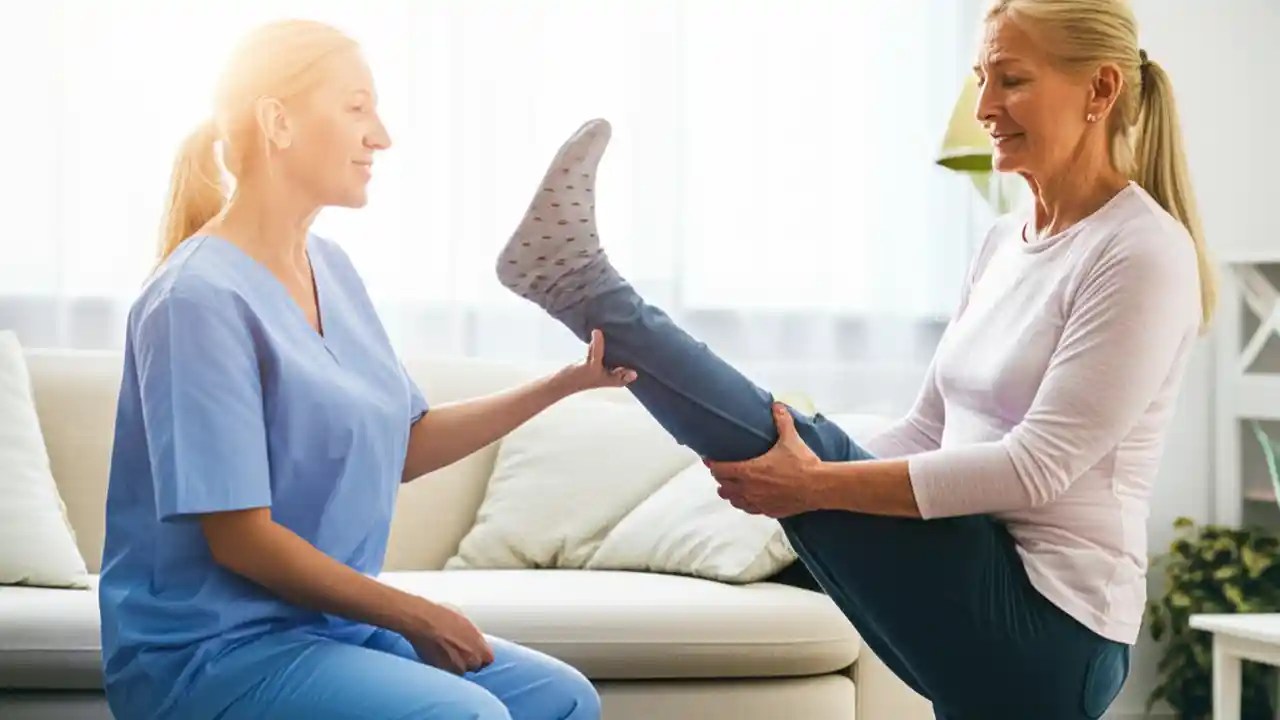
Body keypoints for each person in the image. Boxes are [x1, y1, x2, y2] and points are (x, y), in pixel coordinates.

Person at [494, 0, 1213, 718]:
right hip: (979, 576)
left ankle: (578, 283)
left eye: (1012, 80)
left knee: (807, 455)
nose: (986, 106)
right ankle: (577, 284)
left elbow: (1034, 468)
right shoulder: (1003, 241)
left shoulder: (1141, 252)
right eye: (980, 79)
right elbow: (927, 429)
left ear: (1100, 90)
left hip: (1051, 619)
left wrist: (817, 482)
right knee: (799, 441)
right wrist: (801, 468)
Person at [98, 20, 632, 720]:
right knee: (468, 717)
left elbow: (405, 444)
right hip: (211, 653)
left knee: (561, 701)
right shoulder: (195, 299)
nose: (381, 135)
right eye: (356, 108)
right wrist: (414, 613)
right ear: (278, 122)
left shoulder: (333, 270)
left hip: (326, 629)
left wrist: (565, 384)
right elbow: (240, 538)